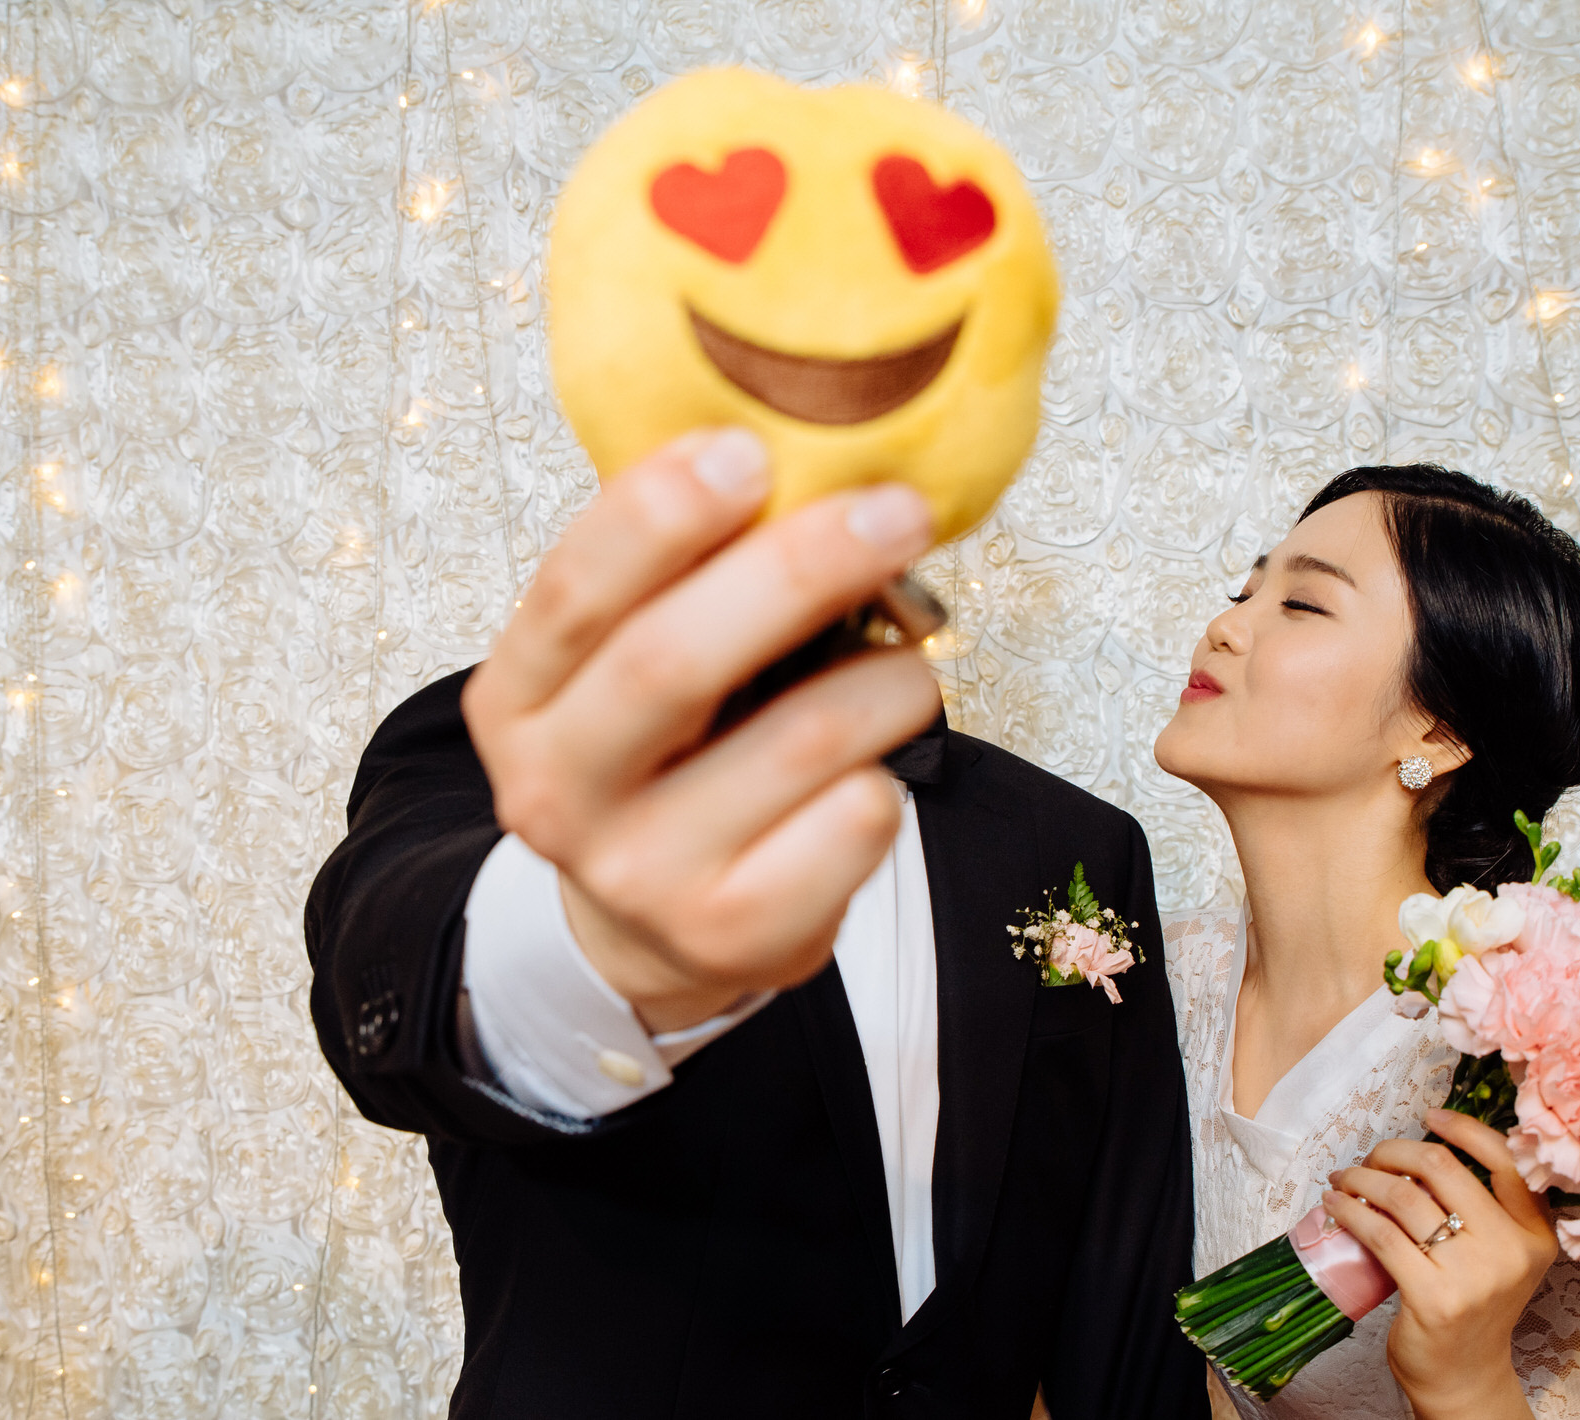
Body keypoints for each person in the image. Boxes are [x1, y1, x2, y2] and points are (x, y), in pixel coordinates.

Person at [303, 428, 1209, 1419]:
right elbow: (391, 980)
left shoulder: (1076, 845)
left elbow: (1121, 1273)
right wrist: (600, 944)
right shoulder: (523, 746)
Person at [1153, 465, 1580, 1420]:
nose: (1226, 626)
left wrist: (1463, 1378)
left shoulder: (1533, 1066)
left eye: (1302, 604)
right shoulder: (1148, 976)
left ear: (1437, 729)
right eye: (1244, 590)